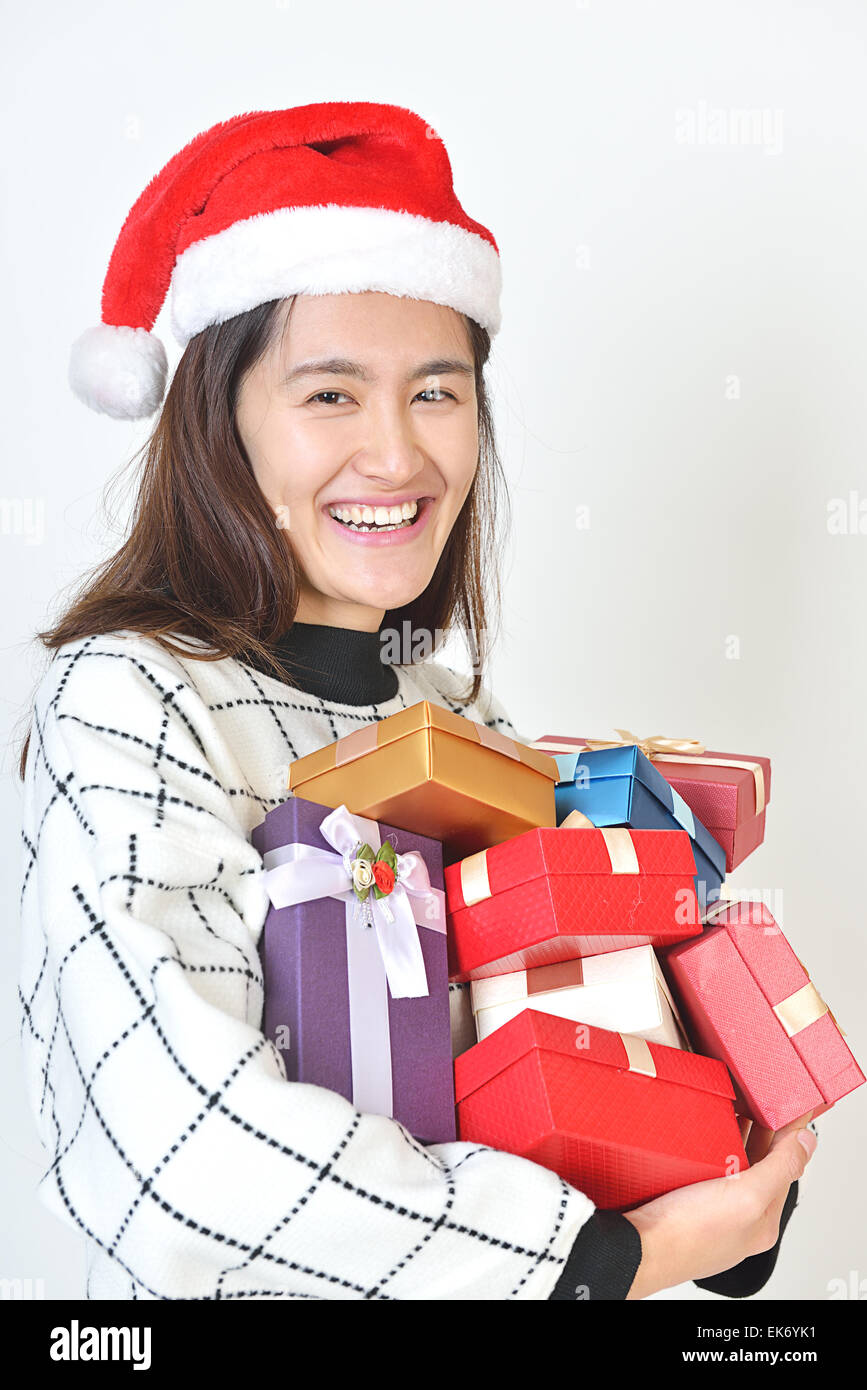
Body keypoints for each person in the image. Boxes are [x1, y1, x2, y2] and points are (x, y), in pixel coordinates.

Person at [16, 101, 815, 1301]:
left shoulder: (473, 729)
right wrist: (607, 1259)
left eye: (437, 393)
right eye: (330, 395)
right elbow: (176, 1159)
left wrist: (729, 1135)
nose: (396, 457)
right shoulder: (129, 698)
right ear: (217, 424)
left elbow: (574, 1079)